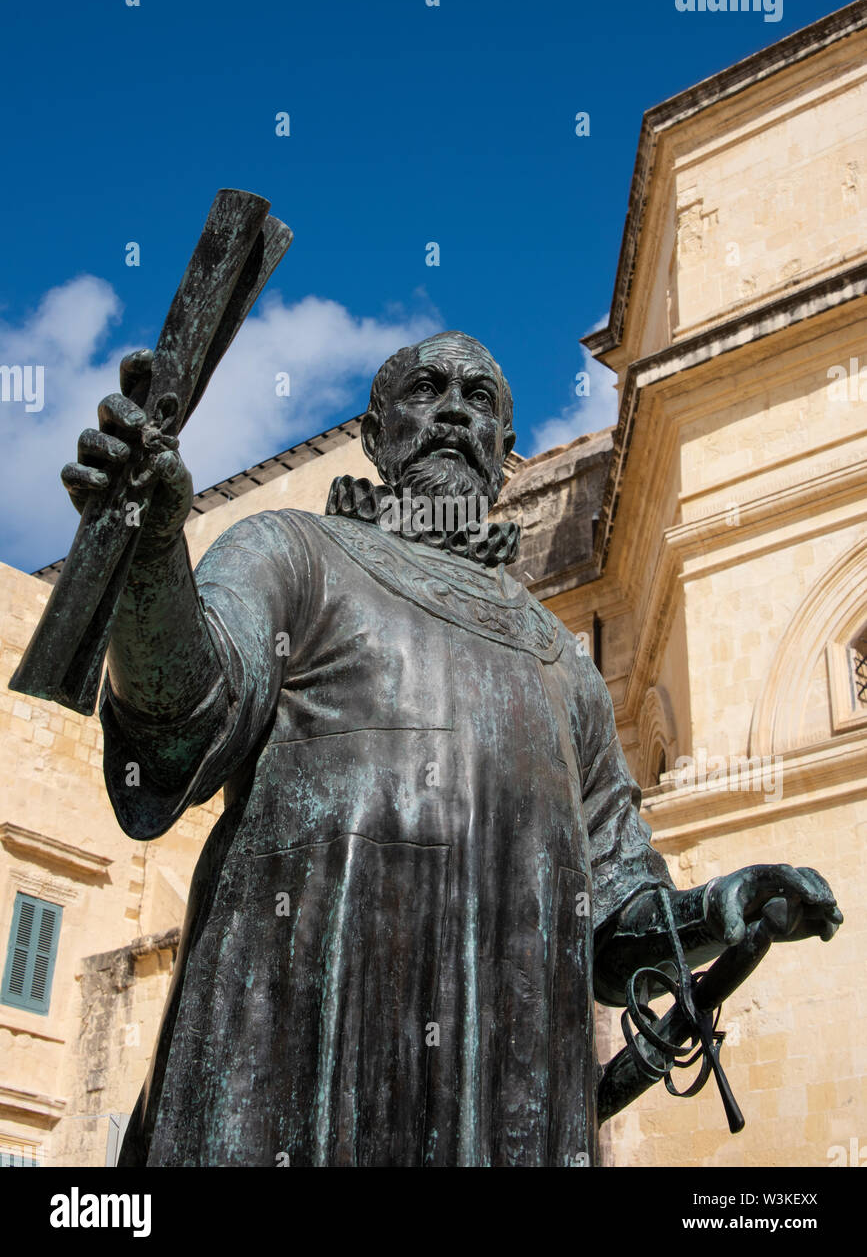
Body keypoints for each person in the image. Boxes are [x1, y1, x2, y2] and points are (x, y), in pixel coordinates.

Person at [63, 330, 842, 1167]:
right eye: (425, 390)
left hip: (499, 1113)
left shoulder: (560, 663)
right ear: (374, 435)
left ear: (504, 454)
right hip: (288, 1080)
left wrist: (718, 911)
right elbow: (181, 720)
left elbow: (616, 926)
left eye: (478, 401)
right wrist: (148, 554)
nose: (450, 412)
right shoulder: (291, 552)